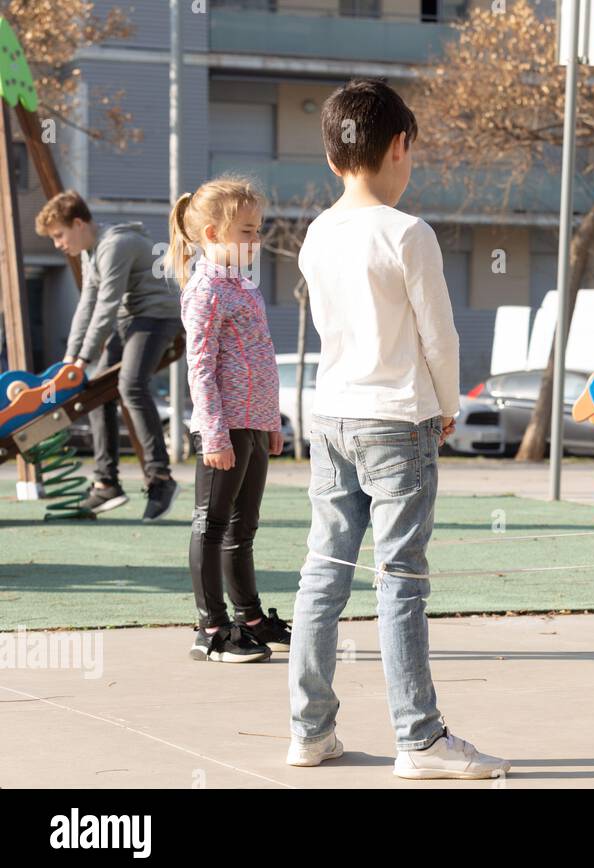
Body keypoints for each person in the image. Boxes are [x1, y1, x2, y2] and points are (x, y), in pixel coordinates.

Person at [288, 77, 509, 780]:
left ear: (331, 158)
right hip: (397, 418)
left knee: (323, 574)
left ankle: (308, 731)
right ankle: (419, 739)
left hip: (331, 416)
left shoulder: (317, 234)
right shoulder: (409, 232)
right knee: (400, 580)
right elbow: (438, 337)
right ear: (400, 146)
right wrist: (447, 404)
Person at [168, 177, 292, 663]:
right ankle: (212, 629)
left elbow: (260, 358)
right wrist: (214, 434)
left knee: (244, 528)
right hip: (224, 430)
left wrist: (270, 422)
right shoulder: (204, 290)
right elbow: (199, 367)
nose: (255, 239)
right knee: (212, 523)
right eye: (246, 230)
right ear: (214, 235)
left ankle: (251, 618)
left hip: (253, 427)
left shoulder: (242, 286)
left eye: (258, 229)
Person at [36, 191, 184, 520]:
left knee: (131, 385)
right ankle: (106, 484)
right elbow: (86, 306)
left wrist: (84, 358)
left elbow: (107, 304)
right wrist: (71, 361)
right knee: (94, 391)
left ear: (78, 223)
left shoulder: (114, 245)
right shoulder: (92, 253)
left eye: (59, 235)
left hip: (157, 316)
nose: (58, 244)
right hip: (129, 319)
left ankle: (161, 479)